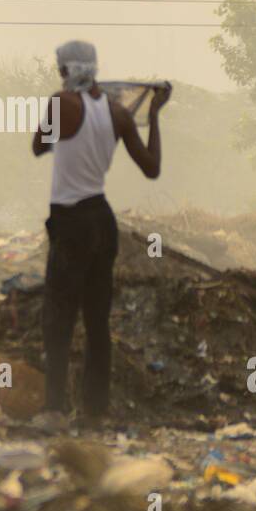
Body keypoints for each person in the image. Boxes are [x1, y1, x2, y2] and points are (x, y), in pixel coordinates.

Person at [31, 40, 170, 428]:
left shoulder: (60, 105)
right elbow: (152, 168)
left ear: (65, 71)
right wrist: (154, 115)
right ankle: (95, 411)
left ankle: (55, 410)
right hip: (101, 222)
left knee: (57, 318)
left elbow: (39, 146)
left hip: (71, 221)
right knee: (96, 320)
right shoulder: (118, 114)